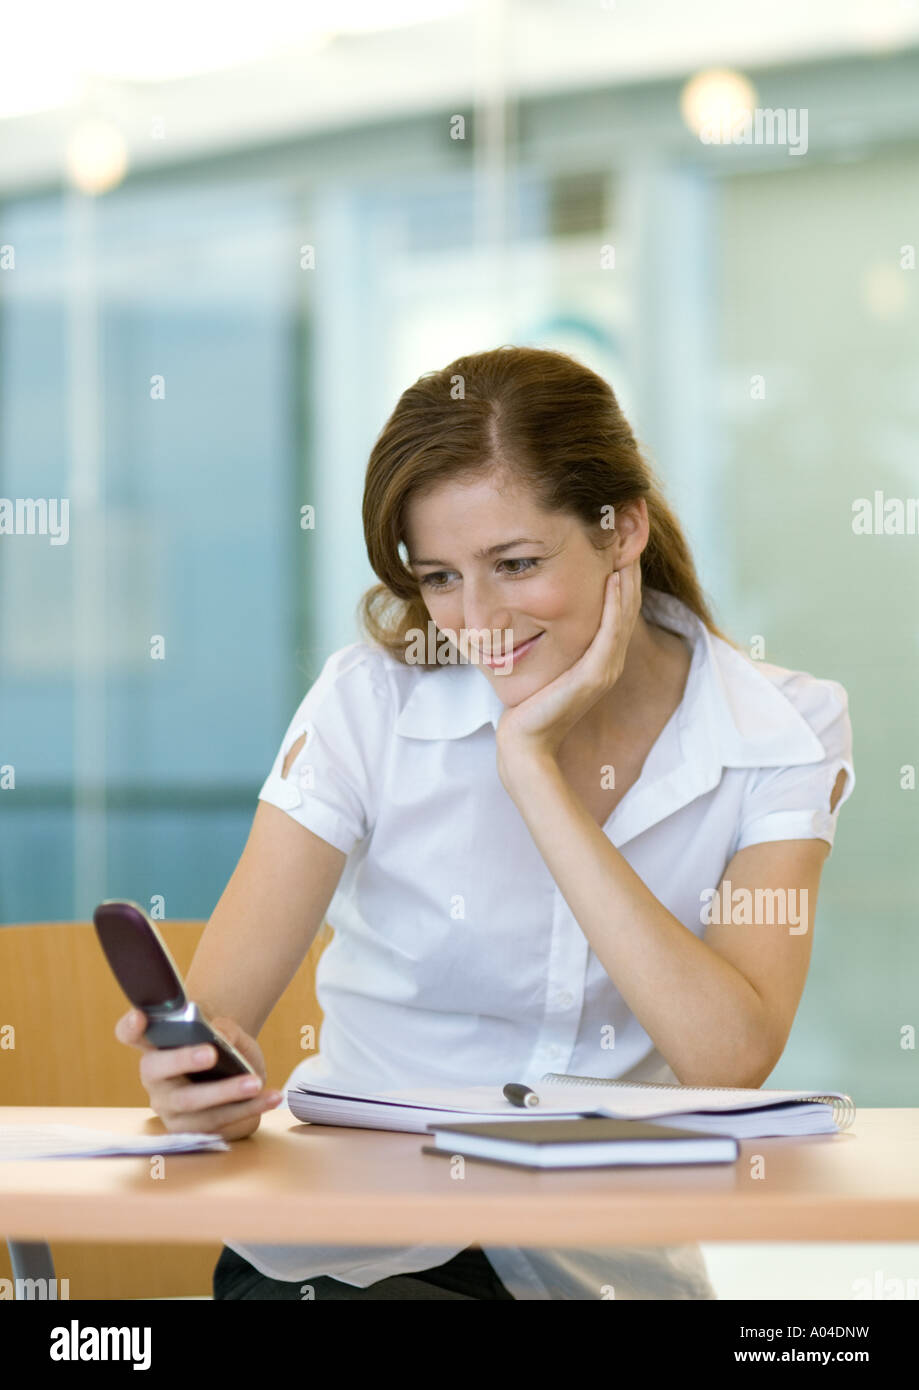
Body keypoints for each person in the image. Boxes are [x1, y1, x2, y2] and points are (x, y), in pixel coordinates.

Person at [116, 345, 855, 1300]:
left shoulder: (778, 729)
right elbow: (220, 1015)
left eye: (514, 565)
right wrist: (204, 1085)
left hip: (604, 1272)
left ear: (621, 528)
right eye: (440, 578)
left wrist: (533, 773)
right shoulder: (367, 705)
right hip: (349, 1259)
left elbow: (730, 1057)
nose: (478, 619)